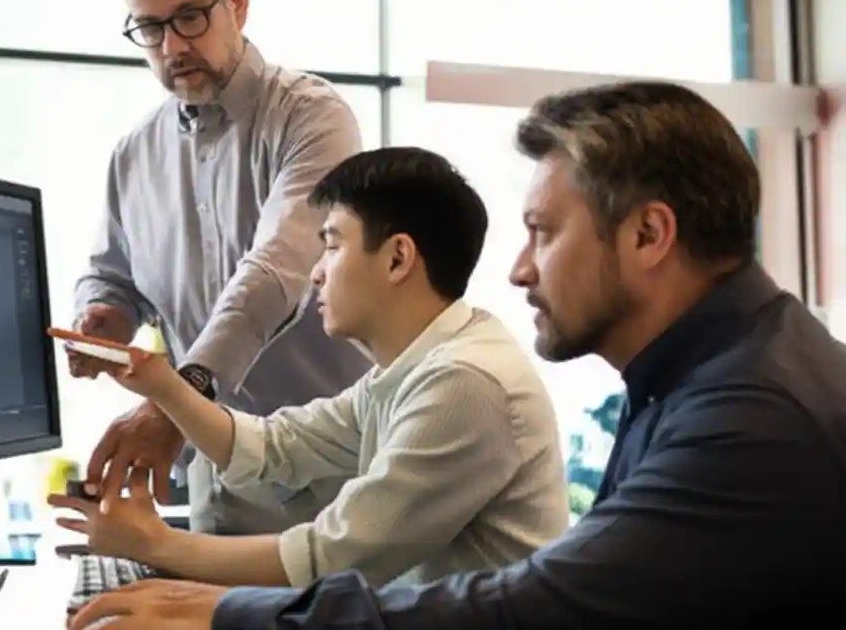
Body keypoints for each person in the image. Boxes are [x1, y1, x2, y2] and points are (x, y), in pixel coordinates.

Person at [66, 81, 846, 629]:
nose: (520, 268)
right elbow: (280, 447)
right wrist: (166, 385)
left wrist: (209, 598)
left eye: (545, 232)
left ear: (648, 236)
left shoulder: (749, 418)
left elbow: (539, 609)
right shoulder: (716, 375)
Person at [50, 147, 567, 590]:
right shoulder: (418, 365)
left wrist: (156, 544)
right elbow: (278, 445)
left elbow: (334, 556)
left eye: (333, 245)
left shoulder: (463, 382)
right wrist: (164, 385)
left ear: (396, 259)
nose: (316, 273)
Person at [71, 0, 371, 535]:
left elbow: (273, 277)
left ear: (237, 1)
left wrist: (174, 404)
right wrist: (103, 313)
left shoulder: (312, 118)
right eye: (150, 28)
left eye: (189, 17)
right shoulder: (134, 154)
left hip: (336, 475)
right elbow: (109, 274)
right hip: (221, 481)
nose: (173, 47)